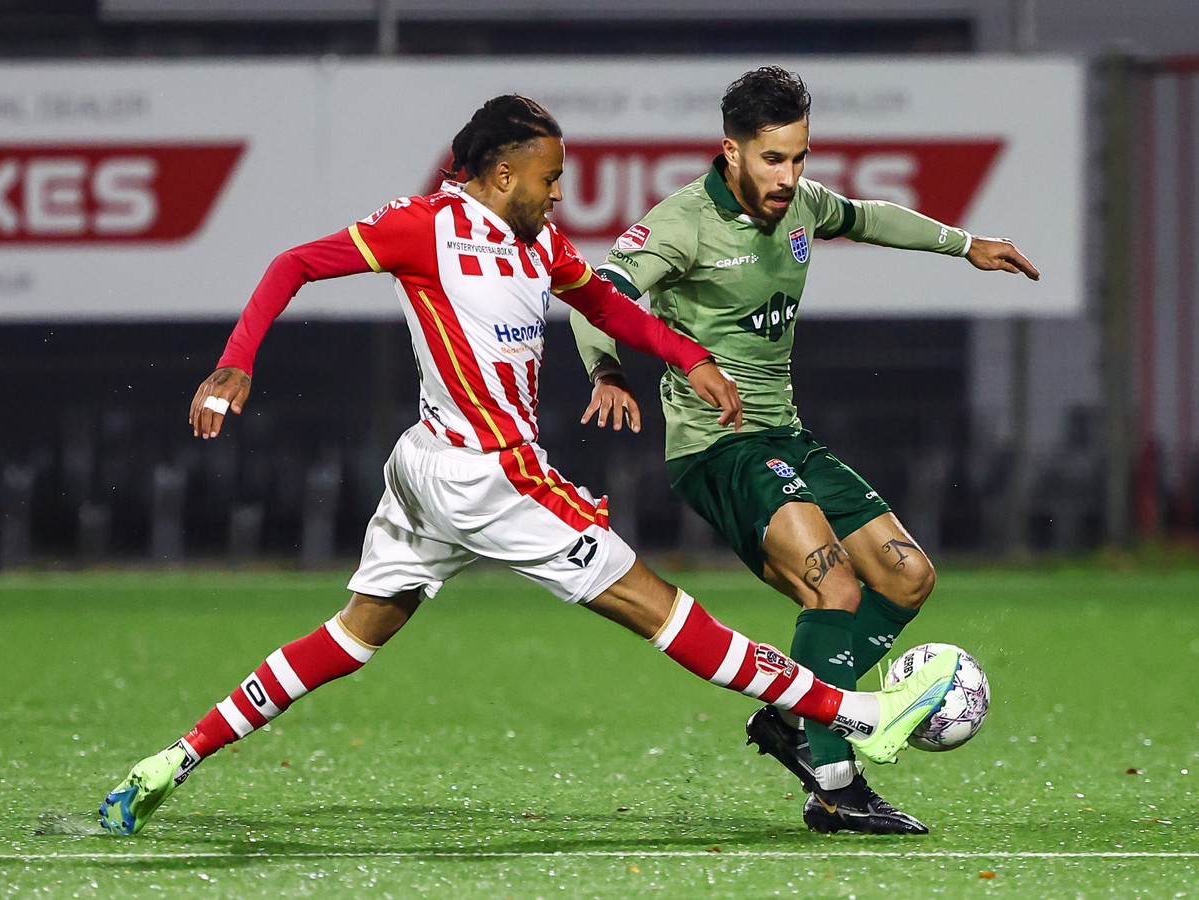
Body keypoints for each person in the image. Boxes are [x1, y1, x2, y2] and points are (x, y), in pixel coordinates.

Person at [98, 95, 961, 837]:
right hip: (492, 477)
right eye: (550, 179)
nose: (560, 194)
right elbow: (294, 263)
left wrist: (688, 358)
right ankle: (857, 714)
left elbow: (604, 301)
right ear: (502, 174)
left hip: (427, 467)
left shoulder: (538, 242)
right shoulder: (422, 227)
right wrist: (236, 360)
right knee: (662, 610)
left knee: (353, 635)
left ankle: (175, 758)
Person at [570, 67, 1039, 835]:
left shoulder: (803, 205)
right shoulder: (682, 223)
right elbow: (598, 290)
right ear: (731, 153)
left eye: (799, 157)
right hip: (717, 448)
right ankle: (832, 781)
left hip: (786, 435)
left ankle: (793, 714)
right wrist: (608, 368)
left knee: (908, 575)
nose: (790, 178)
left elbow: (871, 216)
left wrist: (966, 246)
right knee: (836, 588)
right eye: (773, 159)